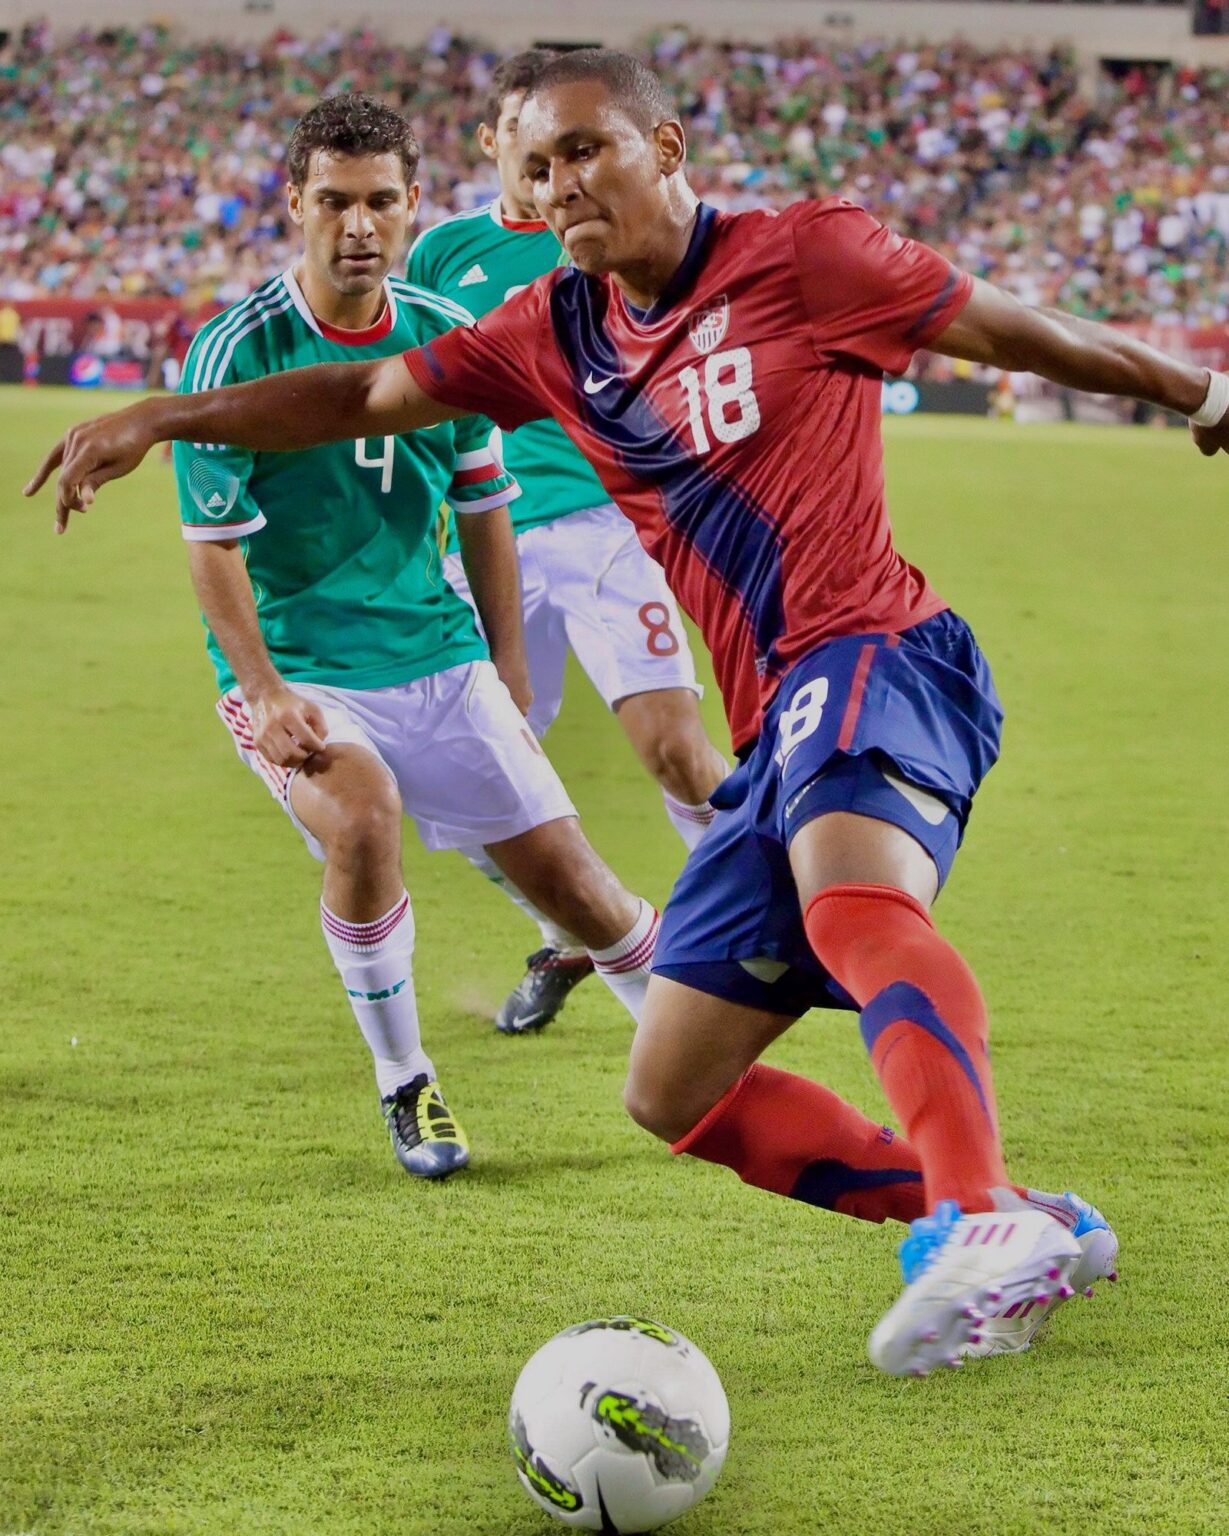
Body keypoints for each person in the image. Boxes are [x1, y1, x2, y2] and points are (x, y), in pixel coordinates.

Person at [27, 52, 1229, 1372]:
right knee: (673, 1091)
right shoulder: (554, 330)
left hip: (881, 649)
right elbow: (362, 394)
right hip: (781, 723)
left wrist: (1198, 390)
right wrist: (162, 414)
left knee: (852, 904)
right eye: (536, 169)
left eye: (587, 151)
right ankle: (1025, 1222)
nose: (561, 185)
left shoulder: (803, 255)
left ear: (662, 145)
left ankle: (969, 1215)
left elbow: (1006, 329)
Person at [58, 93, 664, 1184]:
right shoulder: (232, 350)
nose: (358, 227)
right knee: (364, 816)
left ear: (412, 206)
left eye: (380, 202)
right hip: (300, 670)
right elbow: (214, 547)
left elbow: (484, 510)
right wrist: (264, 689)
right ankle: (405, 1081)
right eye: (332, 201)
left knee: (579, 892)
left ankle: (691, 1064)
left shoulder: (446, 335)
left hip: (436, 655)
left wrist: (507, 672)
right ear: (293, 204)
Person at [407, 51, 726, 1035]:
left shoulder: (610, 233)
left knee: (674, 750)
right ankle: (587, 928)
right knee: (452, 784)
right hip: (480, 539)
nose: (548, 164)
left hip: (606, 527)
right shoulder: (440, 253)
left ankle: (776, 919)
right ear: (496, 143)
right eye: (527, 143)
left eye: (568, 144)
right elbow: (410, 394)